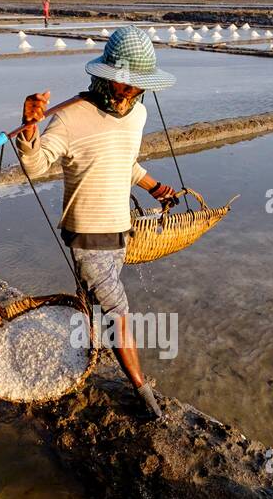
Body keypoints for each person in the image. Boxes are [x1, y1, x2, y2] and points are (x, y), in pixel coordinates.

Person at [14, 26, 178, 420]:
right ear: (104, 76)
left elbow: (123, 159)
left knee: (99, 306)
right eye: (123, 86)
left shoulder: (137, 114)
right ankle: (143, 392)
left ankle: (84, 352)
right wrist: (29, 129)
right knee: (119, 312)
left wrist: (155, 187)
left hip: (121, 231)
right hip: (86, 235)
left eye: (136, 88)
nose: (129, 94)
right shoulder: (70, 118)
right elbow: (36, 165)